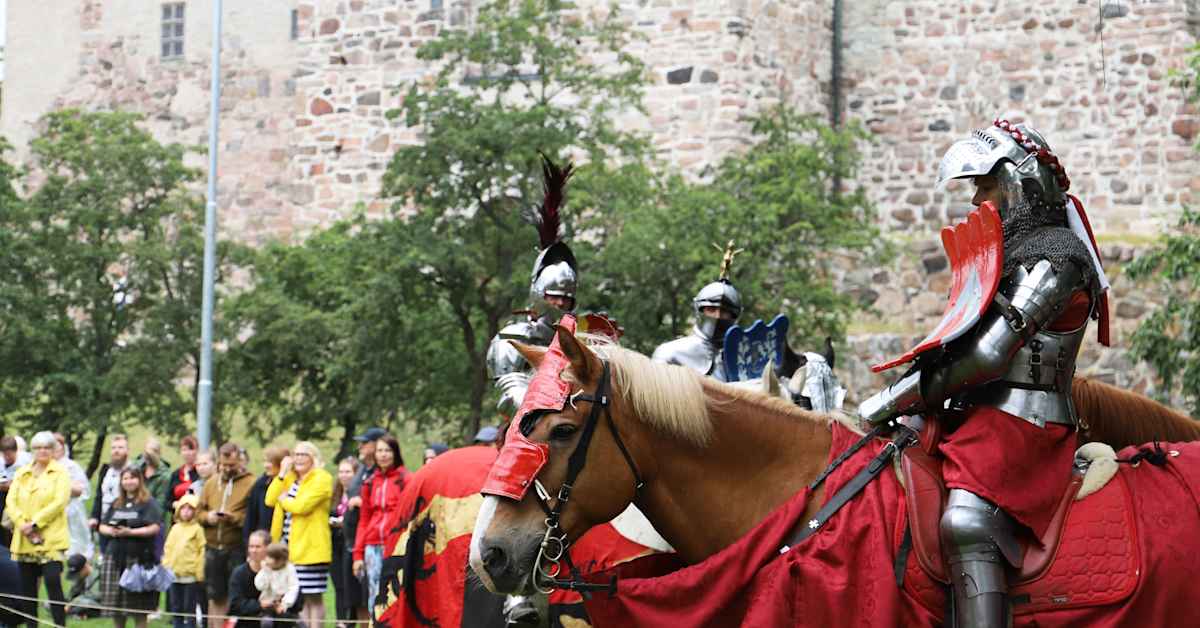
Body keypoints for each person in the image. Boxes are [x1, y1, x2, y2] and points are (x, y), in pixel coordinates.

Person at [857, 119, 1111, 628]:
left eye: (985, 185)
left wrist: (888, 400)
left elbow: (989, 355)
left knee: (967, 522)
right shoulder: (1009, 254)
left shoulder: (1057, 259)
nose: (976, 200)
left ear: (1021, 185)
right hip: (976, 412)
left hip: (1025, 424)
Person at [485, 155, 581, 416]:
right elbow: (509, 395)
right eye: (553, 296)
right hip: (527, 427)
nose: (560, 303)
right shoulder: (514, 338)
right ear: (539, 294)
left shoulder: (581, 340)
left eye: (566, 298)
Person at [651, 241, 744, 382]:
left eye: (724, 312)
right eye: (711, 309)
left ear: (735, 316)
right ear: (699, 310)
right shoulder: (670, 353)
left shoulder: (743, 360)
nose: (717, 316)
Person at [5, 431, 71, 627]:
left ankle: (60, 624)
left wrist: (35, 523)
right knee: (28, 589)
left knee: (52, 582)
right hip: (24, 538)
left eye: (47, 447)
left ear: (53, 450)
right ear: (32, 450)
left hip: (50, 538)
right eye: (38, 447)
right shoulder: (22, 473)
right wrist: (21, 523)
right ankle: (31, 625)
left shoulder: (60, 473)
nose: (42, 451)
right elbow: (11, 500)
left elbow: (59, 501)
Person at [266, 441, 333, 628]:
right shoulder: (290, 478)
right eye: (295, 454)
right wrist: (281, 474)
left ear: (313, 457)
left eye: (304, 454)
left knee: (313, 595)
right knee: (299, 596)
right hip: (291, 547)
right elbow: (270, 499)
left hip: (311, 547)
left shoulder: (322, 478)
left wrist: (285, 500)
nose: (298, 458)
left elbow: (302, 507)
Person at [198, 442, 255, 628]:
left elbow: (252, 515)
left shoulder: (250, 483)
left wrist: (234, 518)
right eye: (224, 465)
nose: (227, 469)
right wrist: (208, 517)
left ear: (239, 461)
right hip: (213, 547)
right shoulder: (211, 483)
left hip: (236, 547)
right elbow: (199, 511)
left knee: (235, 596)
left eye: (231, 465)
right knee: (215, 596)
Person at [98, 467, 163, 628]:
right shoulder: (117, 503)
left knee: (139, 609)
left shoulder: (148, 502)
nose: (128, 481)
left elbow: (155, 527)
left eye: (132, 478)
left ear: (140, 480)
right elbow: (102, 526)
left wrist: (131, 532)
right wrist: (112, 531)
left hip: (138, 559)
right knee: (117, 608)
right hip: (114, 558)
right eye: (125, 478)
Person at [352, 435, 408, 616]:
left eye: (388, 450)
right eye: (380, 451)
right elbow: (364, 520)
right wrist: (357, 555)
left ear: (396, 453)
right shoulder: (369, 483)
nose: (383, 455)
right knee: (375, 593)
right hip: (373, 545)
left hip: (397, 545)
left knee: (397, 591)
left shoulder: (406, 479)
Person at [229, 531, 301, 628]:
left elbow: (298, 600)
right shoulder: (239, 573)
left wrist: (283, 603)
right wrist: (260, 605)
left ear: (268, 548)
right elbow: (235, 604)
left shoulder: (287, 570)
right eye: (251, 546)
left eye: (258, 547)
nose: (253, 550)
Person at [330, 456, 363, 628]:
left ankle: (350, 622)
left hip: (352, 542)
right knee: (338, 586)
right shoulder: (335, 493)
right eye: (341, 472)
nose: (344, 475)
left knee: (350, 586)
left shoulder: (358, 493)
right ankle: (340, 621)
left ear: (356, 473)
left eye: (348, 472)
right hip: (335, 543)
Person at [163, 494, 205, 628]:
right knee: (176, 606)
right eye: (183, 508)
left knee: (189, 606)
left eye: (190, 508)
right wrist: (166, 566)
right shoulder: (175, 528)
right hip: (174, 575)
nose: (186, 511)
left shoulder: (198, 529)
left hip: (190, 576)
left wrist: (199, 572)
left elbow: (201, 551)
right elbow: (168, 547)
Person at [51, 434, 94, 561]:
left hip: (72, 512)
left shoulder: (71, 466)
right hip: (51, 513)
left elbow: (80, 490)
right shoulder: (43, 467)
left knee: (77, 548)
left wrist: (60, 485)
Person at [90, 434, 130, 554]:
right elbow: (99, 495)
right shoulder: (106, 470)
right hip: (105, 522)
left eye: (120, 447)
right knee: (105, 559)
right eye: (113, 448)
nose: (116, 451)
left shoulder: (133, 471)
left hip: (126, 522)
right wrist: (94, 516)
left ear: (127, 450)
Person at [243, 445, 287, 549]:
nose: (266, 465)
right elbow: (251, 516)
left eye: (270, 462)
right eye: (265, 461)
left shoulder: (290, 483)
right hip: (263, 539)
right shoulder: (260, 484)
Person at [254, 543, 299, 628]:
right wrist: (265, 571)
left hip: (285, 606)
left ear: (280, 560)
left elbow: (293, 587)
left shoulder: (289, 569)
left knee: (296, 623)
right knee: (267, 623)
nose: (266, 559)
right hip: (268, 605)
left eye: (270, 557)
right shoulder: (266, 569)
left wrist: (285, 604)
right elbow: (260, 586)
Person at [0, 435, 32, 548]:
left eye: (9, 454)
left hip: (23, 497)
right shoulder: (1, 462)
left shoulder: (26, 460)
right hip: (4, 496)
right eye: (5, 454)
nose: (7, 457)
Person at [164, 436, 200, 514]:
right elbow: (167, 501)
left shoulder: (201, 472)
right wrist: (177, 505)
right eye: (184, 450)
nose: (187, 453)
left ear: (197, 451)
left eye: (191, 449)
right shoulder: (176, 474)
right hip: (178, 519)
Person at [65, 553, 102, 619]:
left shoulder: (98, 574)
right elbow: (71, 595)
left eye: (78, 572)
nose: (77, 575)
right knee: (51, 603)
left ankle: (70, 613)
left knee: (84, 603)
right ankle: (74, 614)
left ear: (85, 566)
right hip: (78, 603)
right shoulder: (80, 577)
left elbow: (95, 595)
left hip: (95, 604)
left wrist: (72, 603)